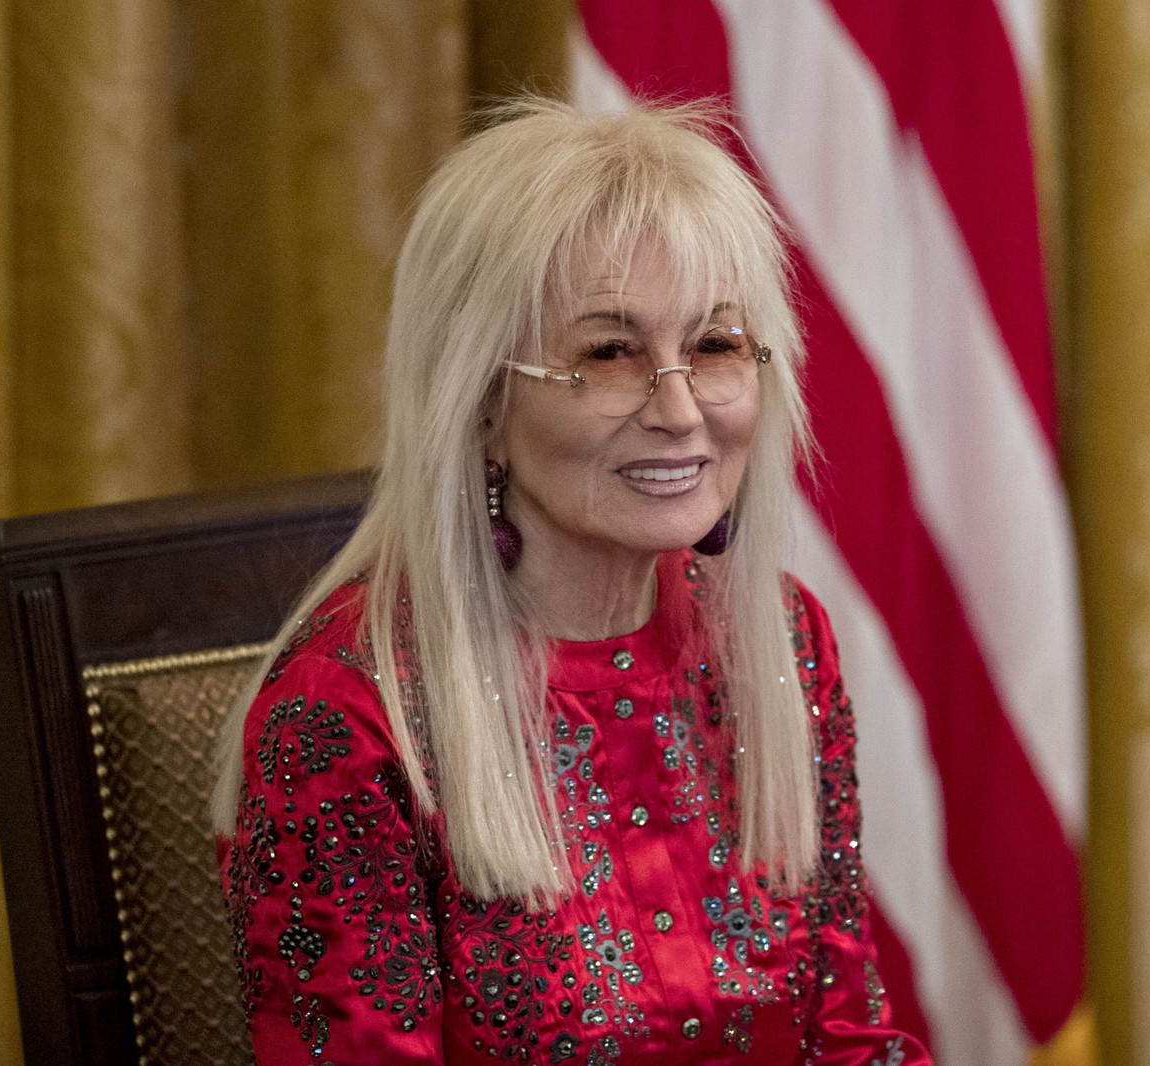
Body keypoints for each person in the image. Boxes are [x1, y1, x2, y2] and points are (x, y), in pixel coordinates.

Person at [210, 96, 932, 1065]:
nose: (679, 409)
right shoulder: (344, 716)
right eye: (609, 353)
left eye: (715, 344)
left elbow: (845, 1038)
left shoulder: (782, 643)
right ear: (480, 406)